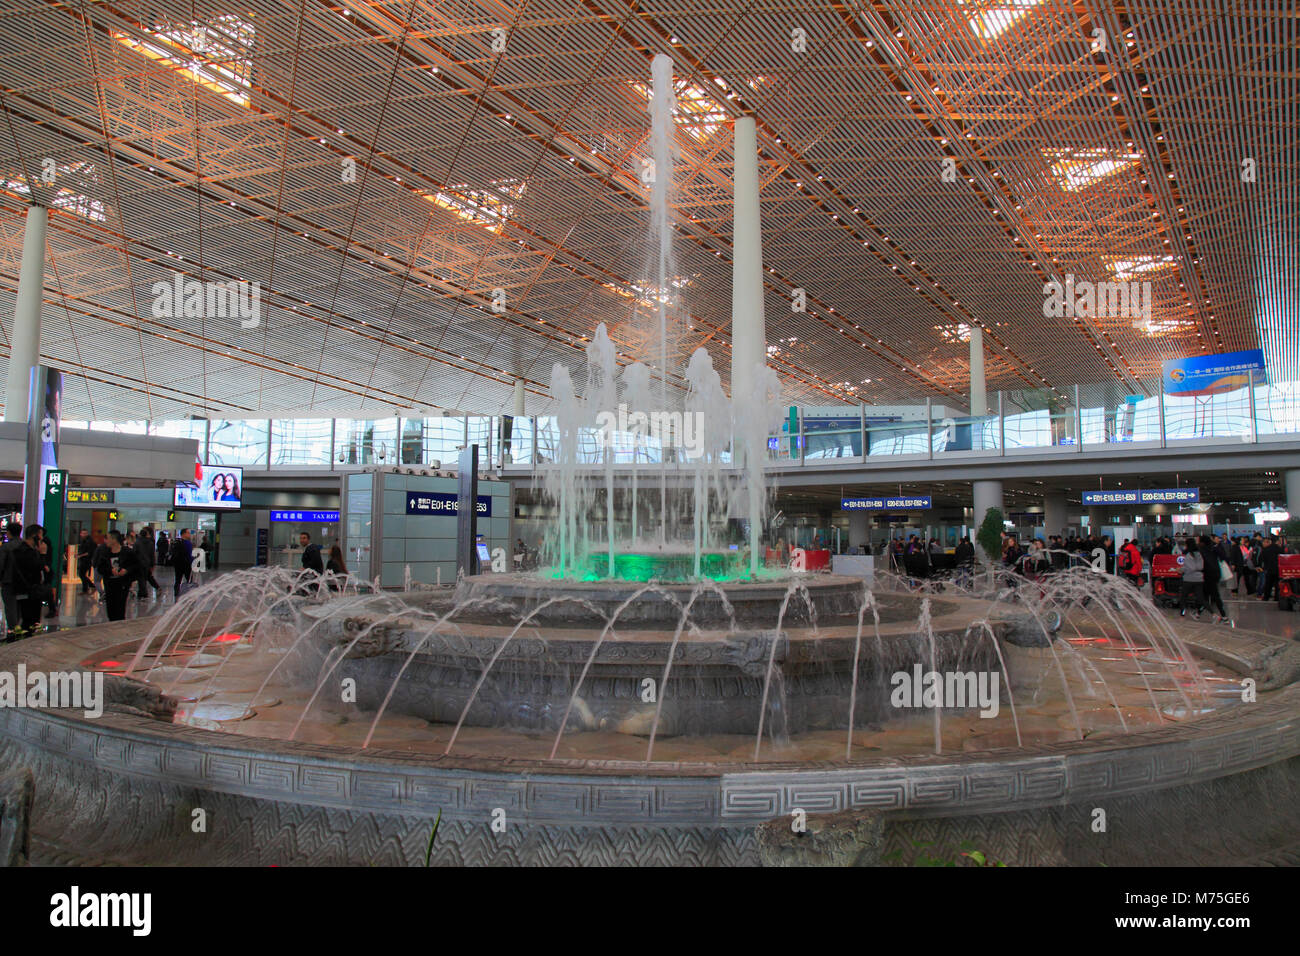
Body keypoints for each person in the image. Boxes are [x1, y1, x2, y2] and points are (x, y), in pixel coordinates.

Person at [97, 530, 140, 622]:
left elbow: (136, 566)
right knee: (110, 609)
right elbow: (100, 567)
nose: (106, 541)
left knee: (120, 609)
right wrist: (110, 571)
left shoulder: (127, 552)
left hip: (122, 585)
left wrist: (126, 570)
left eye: (107, 538)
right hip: (109, 584)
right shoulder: (105, 553)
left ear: (114, 539)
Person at [0, 521, 26, 630]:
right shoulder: (25, 545)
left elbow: (1, 565)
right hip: (24, 581)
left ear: (9, 533)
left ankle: (13, 629)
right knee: (20, 605)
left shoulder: (6, 547)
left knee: (10, 606)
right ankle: (19, 625)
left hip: (8, 580)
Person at [1198, 534, 1229, 624]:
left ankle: (1224, 616)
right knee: (1208, 594)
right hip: (1216, 574)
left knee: (1213, 595)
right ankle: (1198, 613)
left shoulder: (1201, 550)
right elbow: (1223, 557)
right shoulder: (1214, 548)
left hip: (1207, 574)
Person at [1178, 540, 1205, 619]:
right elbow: (1201, 567)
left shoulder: (1188, 555)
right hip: (1199, 579)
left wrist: (1182, 569)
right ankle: (1200, 611)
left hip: (1188, 579)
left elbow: (1190, 567)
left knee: (1183, 597)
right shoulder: (1199, 554)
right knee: (1200, 597)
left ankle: (1182, 613)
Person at [135, 524, 161, 601]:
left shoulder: (137, 542)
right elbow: (152, 554)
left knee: (141, 579)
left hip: (139, 563)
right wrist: (153, 564)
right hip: (147, 563)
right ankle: (155, 588)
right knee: (148, 577)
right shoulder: (151, 542)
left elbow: (134, 553)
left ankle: (144, 594)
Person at [172, 528, 194, 599]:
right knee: (189, 579)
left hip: (177, 564)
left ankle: (176, 593)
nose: (189, 534)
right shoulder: (187, 543)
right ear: (184, 534)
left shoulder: (176, 542)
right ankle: (190, 593)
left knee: (178, 579)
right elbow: (189, 555)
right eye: (188, 533)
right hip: (186, 564)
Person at [1258, 535, 1282, 601]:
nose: (1263, 544)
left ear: (1267, 542)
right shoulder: (1278, 548)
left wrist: (1262, 567)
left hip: (1269, 570)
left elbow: (1262, 560)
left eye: (1264, 543)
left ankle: (1266, 597)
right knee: (1277, 585)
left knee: (1268, 584)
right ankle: (1276, 598)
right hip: (1278, 569)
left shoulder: (1265, 550)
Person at [76, 529, 96, 594]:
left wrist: (80, 555)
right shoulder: (83, 541)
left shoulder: (89, 541)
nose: (83, 535)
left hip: (87, 560)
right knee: (82, 574)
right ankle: (90, 585)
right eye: (82, 533)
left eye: (85, 533)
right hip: (84, 560)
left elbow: (89, 552)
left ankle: (87, 588)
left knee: (82, 574)